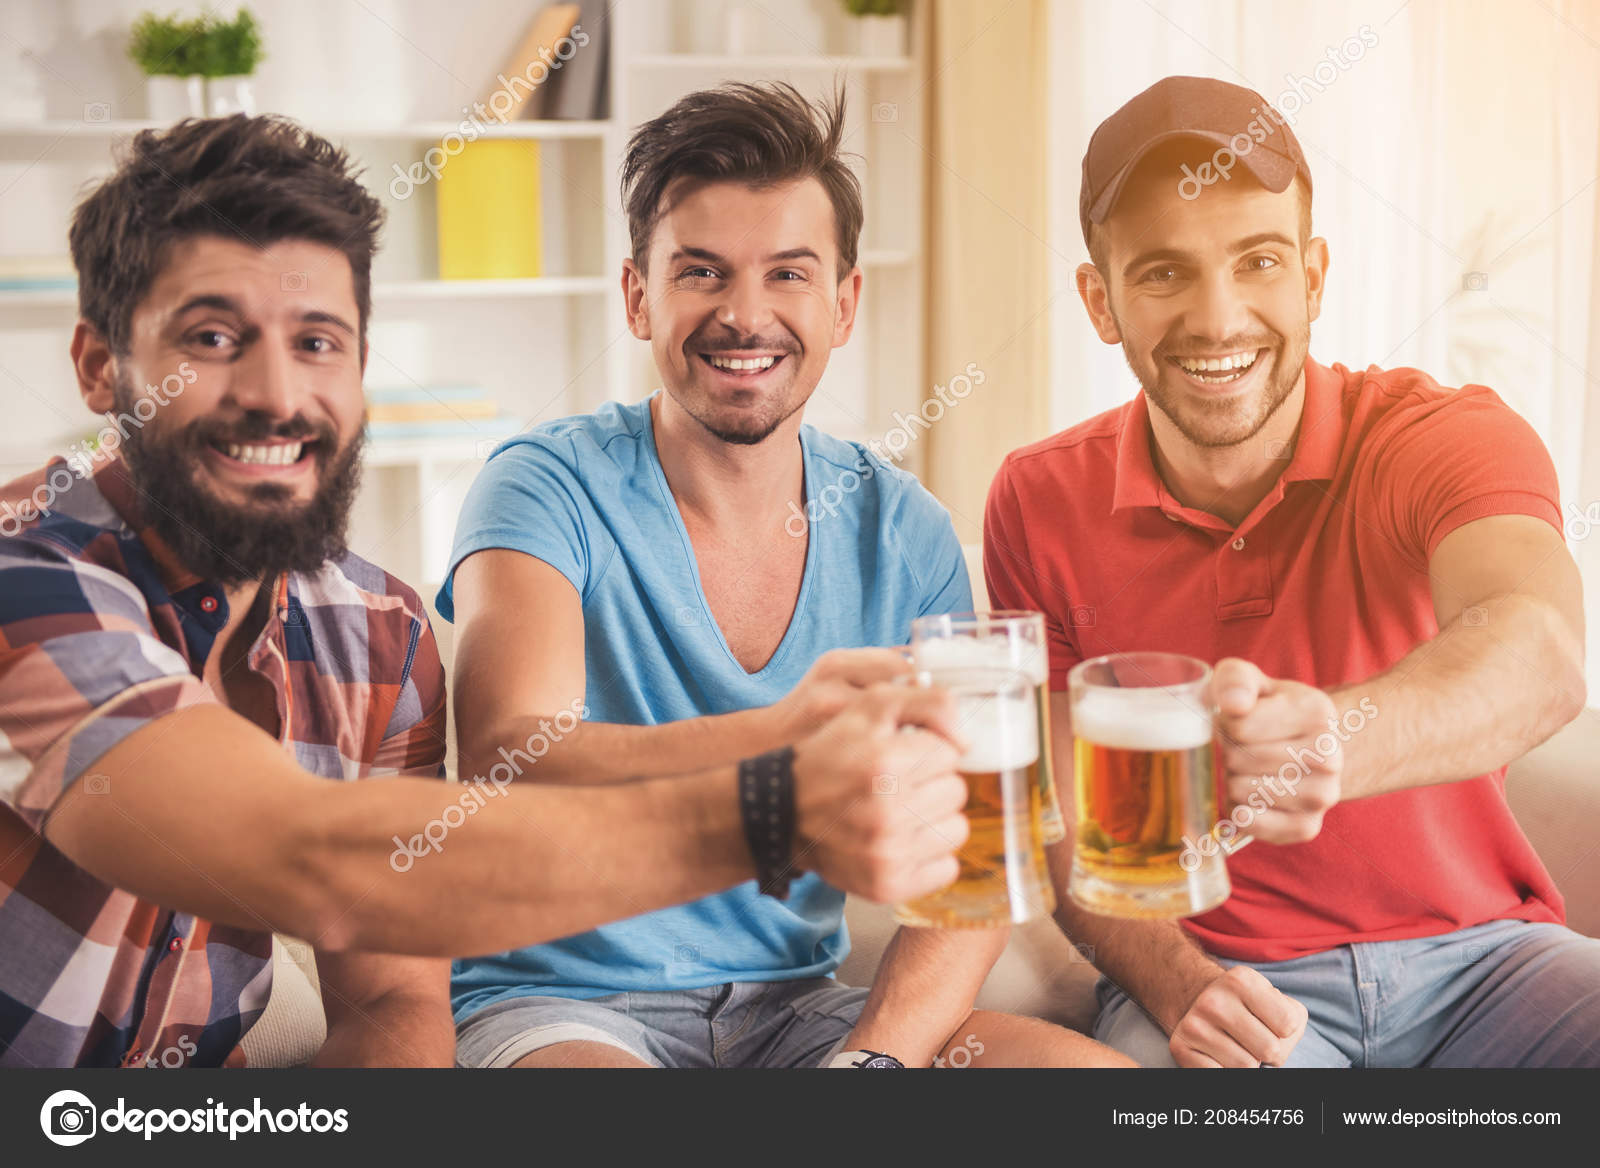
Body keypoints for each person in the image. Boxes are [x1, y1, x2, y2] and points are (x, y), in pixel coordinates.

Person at [0, 114, 969, 1068]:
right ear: (100, 367)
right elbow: (319, 860)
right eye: (212, 337)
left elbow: (392, 999)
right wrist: (777, 805)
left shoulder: (372, 632)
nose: (277, 394)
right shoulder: (25, 571)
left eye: (318, 342)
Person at [440, 82, 1130, 1069]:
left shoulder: (905, 531)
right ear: (637, 297)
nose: (743, 314)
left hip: (797, 1015)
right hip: (564, 1005)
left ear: (843, 305)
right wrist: (788, 735)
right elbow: (511, 752)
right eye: (701, 272)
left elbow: (981, 850)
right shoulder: (544, 485)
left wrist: (869, 1063)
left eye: (788, 274)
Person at [983, 74, 1598, 1068]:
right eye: (1163, 273)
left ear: (1312, 276)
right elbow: (1066, 825)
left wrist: (1334, 743)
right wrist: (1181, 986)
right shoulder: (1037, 498)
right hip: (1226, 984)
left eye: (1258, 261)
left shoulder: (1442, 438)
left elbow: (1540, 650)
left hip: (1490, 967)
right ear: (1101, 302)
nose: (1217, 319)